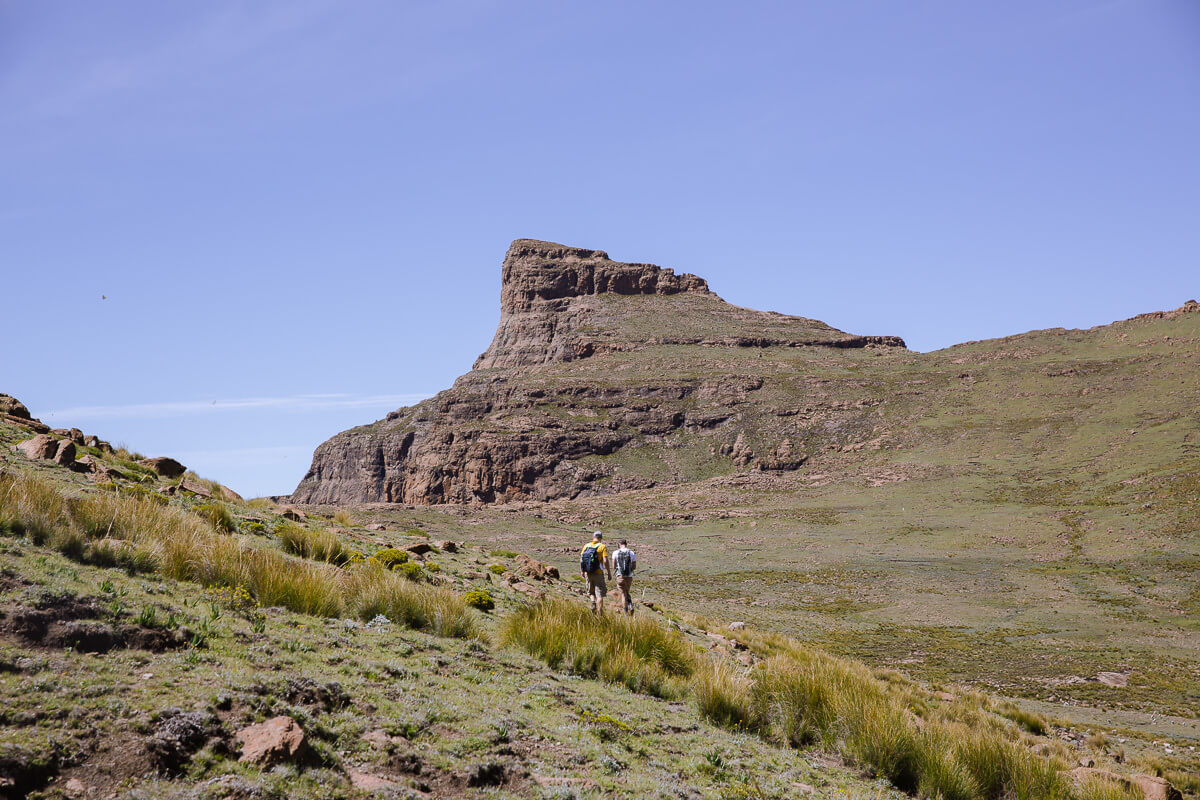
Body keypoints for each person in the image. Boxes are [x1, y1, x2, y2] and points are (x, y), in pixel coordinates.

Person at [579, 530, 612, 614]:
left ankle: (593, 602)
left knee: (591, 592)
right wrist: (608, 572)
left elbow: (581, 559)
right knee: (600, 594)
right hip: (598, 573)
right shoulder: (602, 546)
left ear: (593, 537)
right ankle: (600, 613)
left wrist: (582, 571)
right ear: (600, 538)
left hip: (588, 572)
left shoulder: (586, 545)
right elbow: (605, 560)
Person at [613, 539, 636, 615]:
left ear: (619, 544)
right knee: (627, 592)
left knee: (623, 594)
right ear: (626, 544)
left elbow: (614, 566)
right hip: (629, 576)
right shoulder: (631, 553)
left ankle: (626, 612)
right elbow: (634, 566)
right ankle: (630, 605)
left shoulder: (615, 553)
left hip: (620, 576)